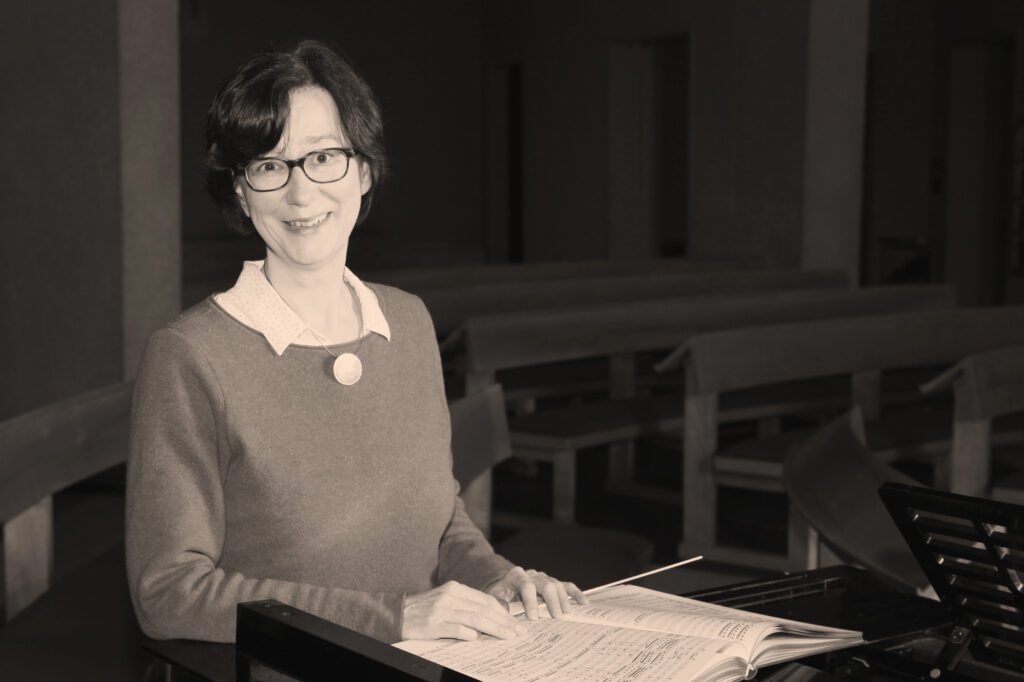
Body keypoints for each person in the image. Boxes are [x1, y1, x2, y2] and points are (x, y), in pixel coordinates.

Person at [125, 39, 585, 644]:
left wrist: (497, 579)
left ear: (363, 170)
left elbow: (441, 524)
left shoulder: (408, 323)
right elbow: (168, 593)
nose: (300, 191)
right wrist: (391, 618)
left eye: (324, 158)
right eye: (268, 165)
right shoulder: (191, 355)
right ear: (240, 191)